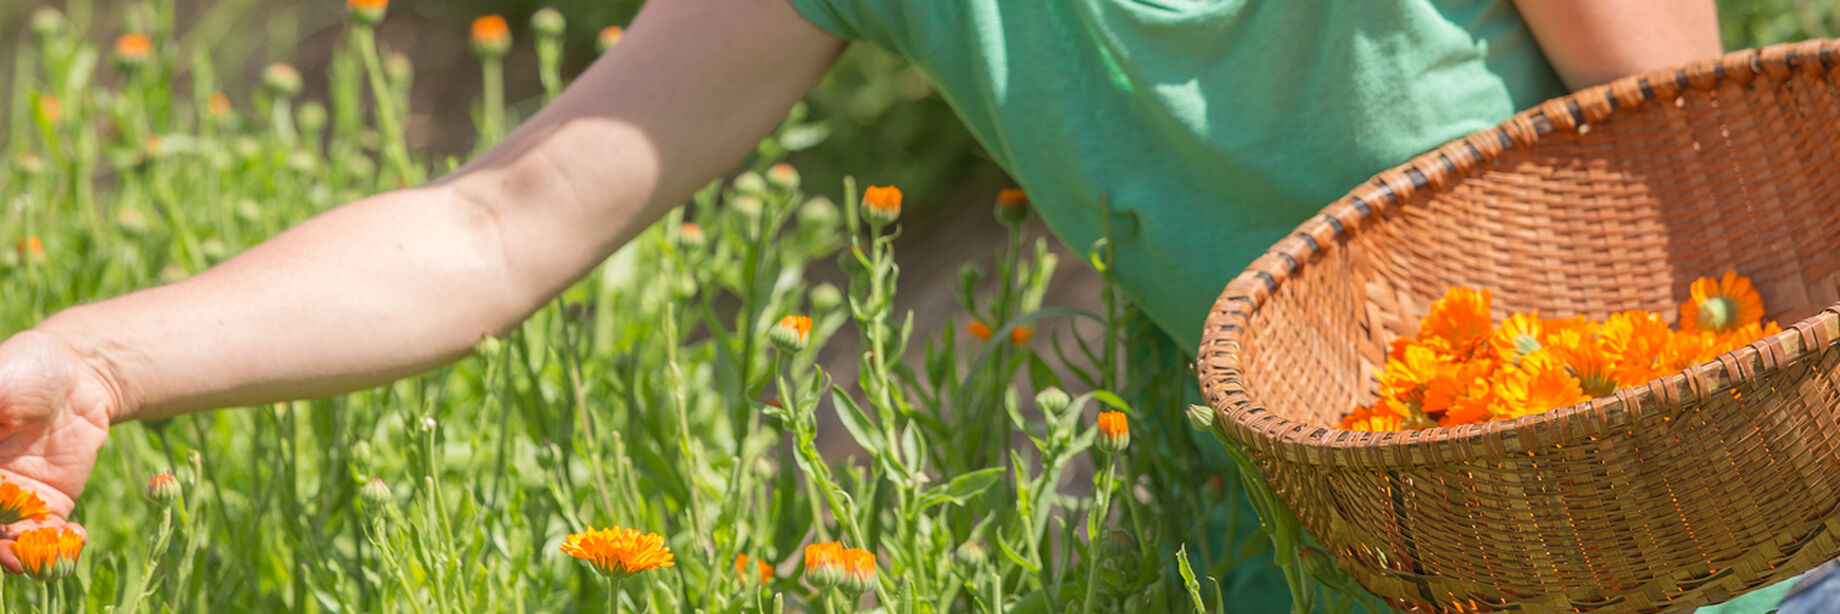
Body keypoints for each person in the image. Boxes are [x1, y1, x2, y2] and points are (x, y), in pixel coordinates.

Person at [0, 0, 1768, 611]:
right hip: (1298, 563)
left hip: (1691, 552)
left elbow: (1709, 197)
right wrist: (97, 353)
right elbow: (497, 218)